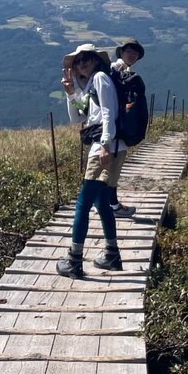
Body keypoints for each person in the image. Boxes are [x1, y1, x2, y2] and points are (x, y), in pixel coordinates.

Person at [58, 44, 125, 277]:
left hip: (104, 148)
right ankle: (111, 255)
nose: (81, 63)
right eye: (77, 61)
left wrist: (105, 144)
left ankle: (74, 260)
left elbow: (108, 112)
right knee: (100, 202)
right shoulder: (91, 87)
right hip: (110, 146)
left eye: (86, 58)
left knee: (82, 203)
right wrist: (70, 93)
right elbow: (78, 117)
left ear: (96, 61)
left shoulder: (100, 79)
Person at [107, 40, 146, 220]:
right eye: (129, 51)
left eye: (135, 53)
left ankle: (110, 203)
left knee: (113, 169)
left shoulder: (123, 72)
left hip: (117, 128)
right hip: (114, 129)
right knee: (112, 170)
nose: (132, 55)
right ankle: (112, 206)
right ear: (121, 52)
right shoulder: (115, 69)